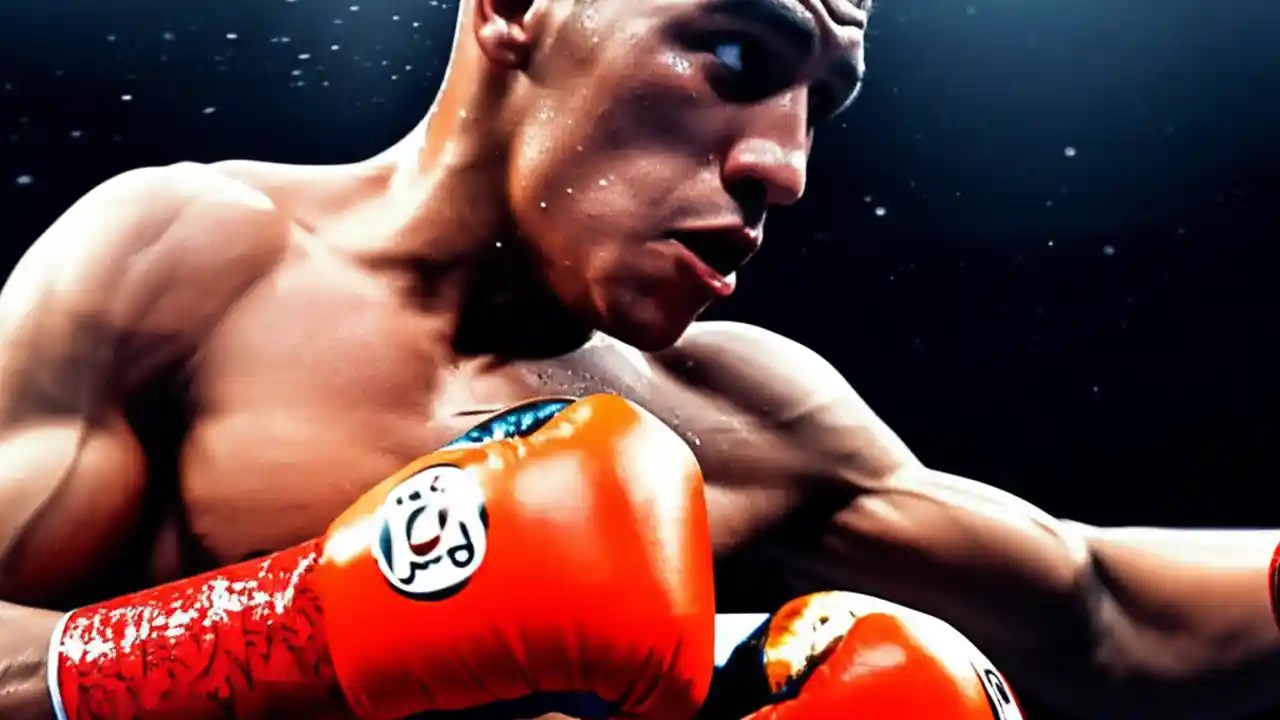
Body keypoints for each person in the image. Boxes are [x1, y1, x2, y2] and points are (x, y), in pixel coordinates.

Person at [0, 0, 1277, 717]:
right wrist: (313, 630)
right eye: (731, 54)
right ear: (512, 8)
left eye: (818, 103)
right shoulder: (190, 256)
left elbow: (1097, 608)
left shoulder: (737, 415)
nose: (784, 164)